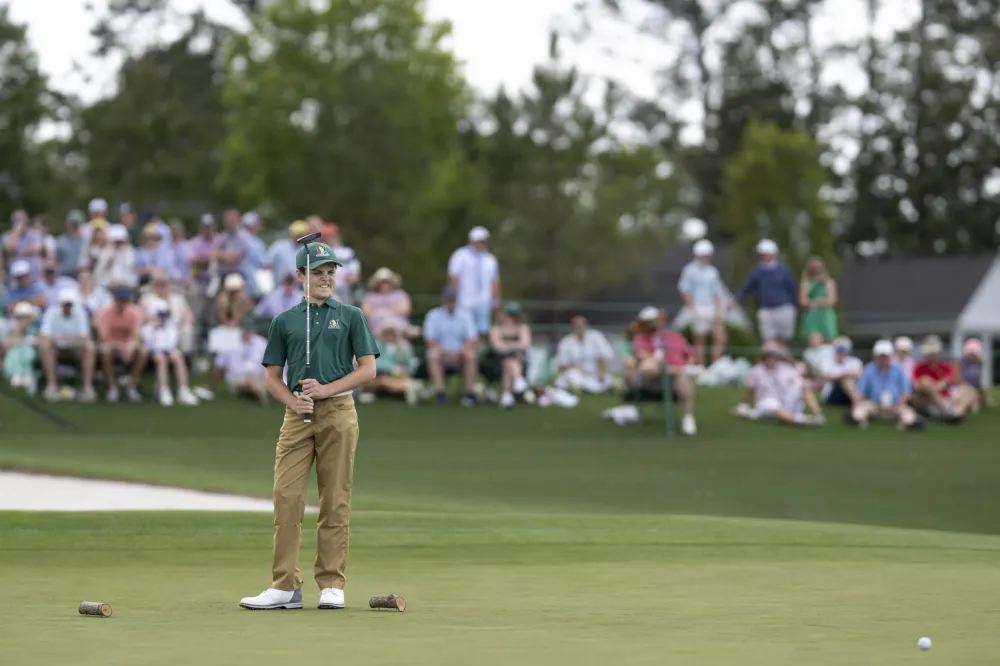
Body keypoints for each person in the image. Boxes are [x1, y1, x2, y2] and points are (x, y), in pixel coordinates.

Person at [240, 240, 379, 612]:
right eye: (318, 273)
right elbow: (272, 377)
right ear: (300, 275)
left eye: (331, 272)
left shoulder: (351, 315)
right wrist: (293, 399)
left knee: (335, 498)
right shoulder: (283, 321)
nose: (326, 279)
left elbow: (367, 369)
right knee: (287, 498)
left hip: (338, 412)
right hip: (296, 418)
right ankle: (285, 586)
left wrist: (324, 389)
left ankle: (331, 583)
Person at [629, 306, 698, 435]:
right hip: (653, 380)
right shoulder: (640, 338)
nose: (652, 325)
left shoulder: (675, 337)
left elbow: (690, 356)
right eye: (648, 322)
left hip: (675, 380)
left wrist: (686, 365)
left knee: (683, 377)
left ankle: (688, 418)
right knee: (650, 365)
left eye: (654, 320)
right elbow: (643, 358)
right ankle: (677, 371)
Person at [734, 342, 825, 426]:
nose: (772, 359)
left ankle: (818, 416)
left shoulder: (785, 367)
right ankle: (801, 421)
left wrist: (806, 384)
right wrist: (743, 406)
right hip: (767, 403)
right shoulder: (756, 371)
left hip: (786, 401)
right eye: (769, 356)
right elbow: (749, 390)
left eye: (774, 356)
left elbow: (798, 381)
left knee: (804, 385)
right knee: (771, 405)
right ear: (764, 357)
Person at [422, 285, 480, 406]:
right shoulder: (433, 315)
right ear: (443, 299)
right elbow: (429, 339)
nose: (451, 302)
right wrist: (444, 352)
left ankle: (469, 393)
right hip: (442, 352)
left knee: (471, 355)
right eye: (448, 299)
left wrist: (460, 350)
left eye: (452, 299)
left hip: (460, 353)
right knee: (432, 355)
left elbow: (472, 338)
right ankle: (440, 393)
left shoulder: (465, 315)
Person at [846, 340, 922, 430]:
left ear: (890, 356)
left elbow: (906, 392)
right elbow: (860, 391)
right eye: (880, 356)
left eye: (885, 356)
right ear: (875, 356)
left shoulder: (899, 370)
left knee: (907, 412)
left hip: (895, 405)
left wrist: (900, 402)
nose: (883, 359)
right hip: (875, 405)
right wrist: (857, 403)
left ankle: (908, 424)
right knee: (861, 410)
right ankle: (858, 420)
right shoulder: (868, 369)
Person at [37, 289, 97, 402]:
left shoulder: (80, 314)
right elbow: (44, 337)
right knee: (46, 347)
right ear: (60, 304)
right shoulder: (51, 313)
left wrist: (61, 338)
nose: (68, 307)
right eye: (66, 304)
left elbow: (85, 338)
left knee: (90, 348)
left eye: (70, 304)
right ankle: (51, 386)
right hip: (57, 349)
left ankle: (87, 388)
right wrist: (66, 339)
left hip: (75, 349)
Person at [735, 239, 798, 345]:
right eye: (762, 254)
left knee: (783, 341)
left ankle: (781, 362)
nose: (764, 257)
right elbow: (746, 288)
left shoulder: (783, 270)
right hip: (766, 310)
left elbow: (793, 289)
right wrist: (737, 299)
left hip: (784, 308)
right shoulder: (757, 272)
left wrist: (793, 306)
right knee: (769, 342)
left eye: (766, 254)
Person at [677, 239, 729, 366]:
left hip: (712, 307)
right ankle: (701, 367)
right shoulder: (689, 270)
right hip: (698, 307)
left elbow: (717, 292)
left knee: (721, 338)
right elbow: (684, 289)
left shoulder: (712, 271)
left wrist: (718, 311)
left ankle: (716, 366)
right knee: (700, 340)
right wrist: (693, 307)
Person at [141, 298, 198, 407]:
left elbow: (172, 341)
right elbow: (148, 342)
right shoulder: (148, 327)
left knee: (177, 356)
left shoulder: (169, 326)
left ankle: (183, 390)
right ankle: (164, 391)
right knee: (161, 359)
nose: (162, 317)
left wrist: (167, 350)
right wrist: (154, 328)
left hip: (168, 350)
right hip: (154, 352)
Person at [94, 287, 146, 403]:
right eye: (120, 301)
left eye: (125, 301)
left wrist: (131, 345)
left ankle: (132, 386)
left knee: (142, 351)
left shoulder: (135, 312)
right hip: (112, 344)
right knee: (104, 350)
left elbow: (137, 335)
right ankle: (112, 387)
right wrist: (121, 346)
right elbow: (103, 337)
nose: (122, 304)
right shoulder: (104, 313)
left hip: (128, 344)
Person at [447, 226, 500, 335]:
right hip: (465, 302)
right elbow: (454, 278)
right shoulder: (460, 255)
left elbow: (494, 281)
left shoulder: (490, 259)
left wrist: (495, 299)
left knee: (481, 331)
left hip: (484, 301)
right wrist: (453, 297)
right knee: (464, 331)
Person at [910, 335, 967, 422]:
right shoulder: (919, 367)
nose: (932, 356)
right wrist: (931, 386)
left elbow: (954, 380)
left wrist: (943, 383)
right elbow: (915, 385)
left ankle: (956, 413)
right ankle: (946, 409)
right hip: (927, 401)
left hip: (946, 398)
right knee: (925, 381)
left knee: (966, 390)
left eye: (934, 353)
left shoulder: (946, 367)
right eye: (930, 354)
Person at [488, 301, 532, 408]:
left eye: (514, 315)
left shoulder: (522, 328)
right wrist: (514, 346)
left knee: (509, 362)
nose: (511, 318)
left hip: (517, 361)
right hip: (495, 363)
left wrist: (508, 345)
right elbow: (497, 347)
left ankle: (507, 395)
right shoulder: (496, 329)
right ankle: (518, 380)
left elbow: (525, 344)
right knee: (509, 361)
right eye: (509, 315)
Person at [554, 315, 614, 394]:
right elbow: (562, 364)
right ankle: (577, 386)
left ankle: (580, 387)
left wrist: (601, 372)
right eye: (577, 327)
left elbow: (604, 355)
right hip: (576, 373)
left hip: (594, 374)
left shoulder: (596, 337)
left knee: (606, 381)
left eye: (581, 326)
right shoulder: (566, 342)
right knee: (563, 380)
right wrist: (577, 368)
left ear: (586, 326)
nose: (579, 329)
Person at [362, 323, 418, 405]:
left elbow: (410, 363)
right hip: (379, 373)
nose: (389, 336)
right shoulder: (376, 345)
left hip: (397, 375)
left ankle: (406, 387)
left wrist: (404, 370)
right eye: (387, 333)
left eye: (391, 333)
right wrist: (393, 367)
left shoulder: (403, 347)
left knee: (391, 379)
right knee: (382, 381)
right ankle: (407, 387)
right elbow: (374, 362)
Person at [216, 321, 270, 404]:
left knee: (260, 384)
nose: (247, 334)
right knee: (245, 385)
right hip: (236, 377)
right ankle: (256, 392)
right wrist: (212, 385)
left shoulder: (261, 343)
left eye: (249, 331)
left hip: (256, 376)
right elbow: (219, 365)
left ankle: (256, 390)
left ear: (253, 331)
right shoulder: (229, 342)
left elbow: (268, 365)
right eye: (244, 331)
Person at [1, 302, 40, 393]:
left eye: (28, 318)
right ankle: (16, 376)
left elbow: (39, 344)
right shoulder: (9, 331)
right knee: (15, 352)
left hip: (30, 365)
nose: (26, 320)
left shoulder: (34, 331)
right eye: (23, 318)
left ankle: (28, 377)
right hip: (13, 365)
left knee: (27, 350)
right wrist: (21, 335)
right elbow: (6, 345)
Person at [360, 267, 411, 337]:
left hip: (398, 327)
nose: (385, 284)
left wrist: (386, 311)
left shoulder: (400, 294)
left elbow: (405, 309)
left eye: (387, 282)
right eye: (382, 282)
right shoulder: (369, 296)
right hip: (376, 327)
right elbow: (366, 312)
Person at [798, 256, 838, 342]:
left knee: (829, 340)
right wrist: (821, 302)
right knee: (812, 340)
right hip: (811, 316)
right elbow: (803, 301)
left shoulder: (828, 281)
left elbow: (831, 300)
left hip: (825, 315)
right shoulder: (806, 282)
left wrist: (813, 303)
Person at [818, 336, 863, 406]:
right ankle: (858, 404)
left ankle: (857, 402)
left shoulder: (855, 361)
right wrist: (843, 375)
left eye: (843, 349)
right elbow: (826, 376)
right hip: (832, 393)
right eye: (839, 349)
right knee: (847, 380)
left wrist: (844, 375)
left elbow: (859, 373)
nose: (841, 352)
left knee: (850, 381)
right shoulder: (828, 361)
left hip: (850, 389)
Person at [2, 210, 45, 282]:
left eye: (21, 220)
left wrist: (18, 252)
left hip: (33, 276)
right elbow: (8, 249)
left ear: (26, 221)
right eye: (16, 220)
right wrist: (16, 233)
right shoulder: (6, 236)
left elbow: (37, 248)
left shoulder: (35, 234)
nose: (18, 223)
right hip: (14, 278)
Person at [957, 338, 991, 414]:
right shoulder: (959, 362)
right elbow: (958, 381)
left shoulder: (979, 363)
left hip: (972, 391)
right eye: (970, 354)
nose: (972, 357)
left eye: (974, 354)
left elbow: (978, 382)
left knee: (974, 404)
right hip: (961, 389)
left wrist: (984, 398)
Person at [55, 210, 86, 278]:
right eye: (73, 224)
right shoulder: (60, 241)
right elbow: (55, 260)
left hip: (81, 277)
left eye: (77, 224)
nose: (75, 227)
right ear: (67, 224)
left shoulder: (86, 241)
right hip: (64, 276)